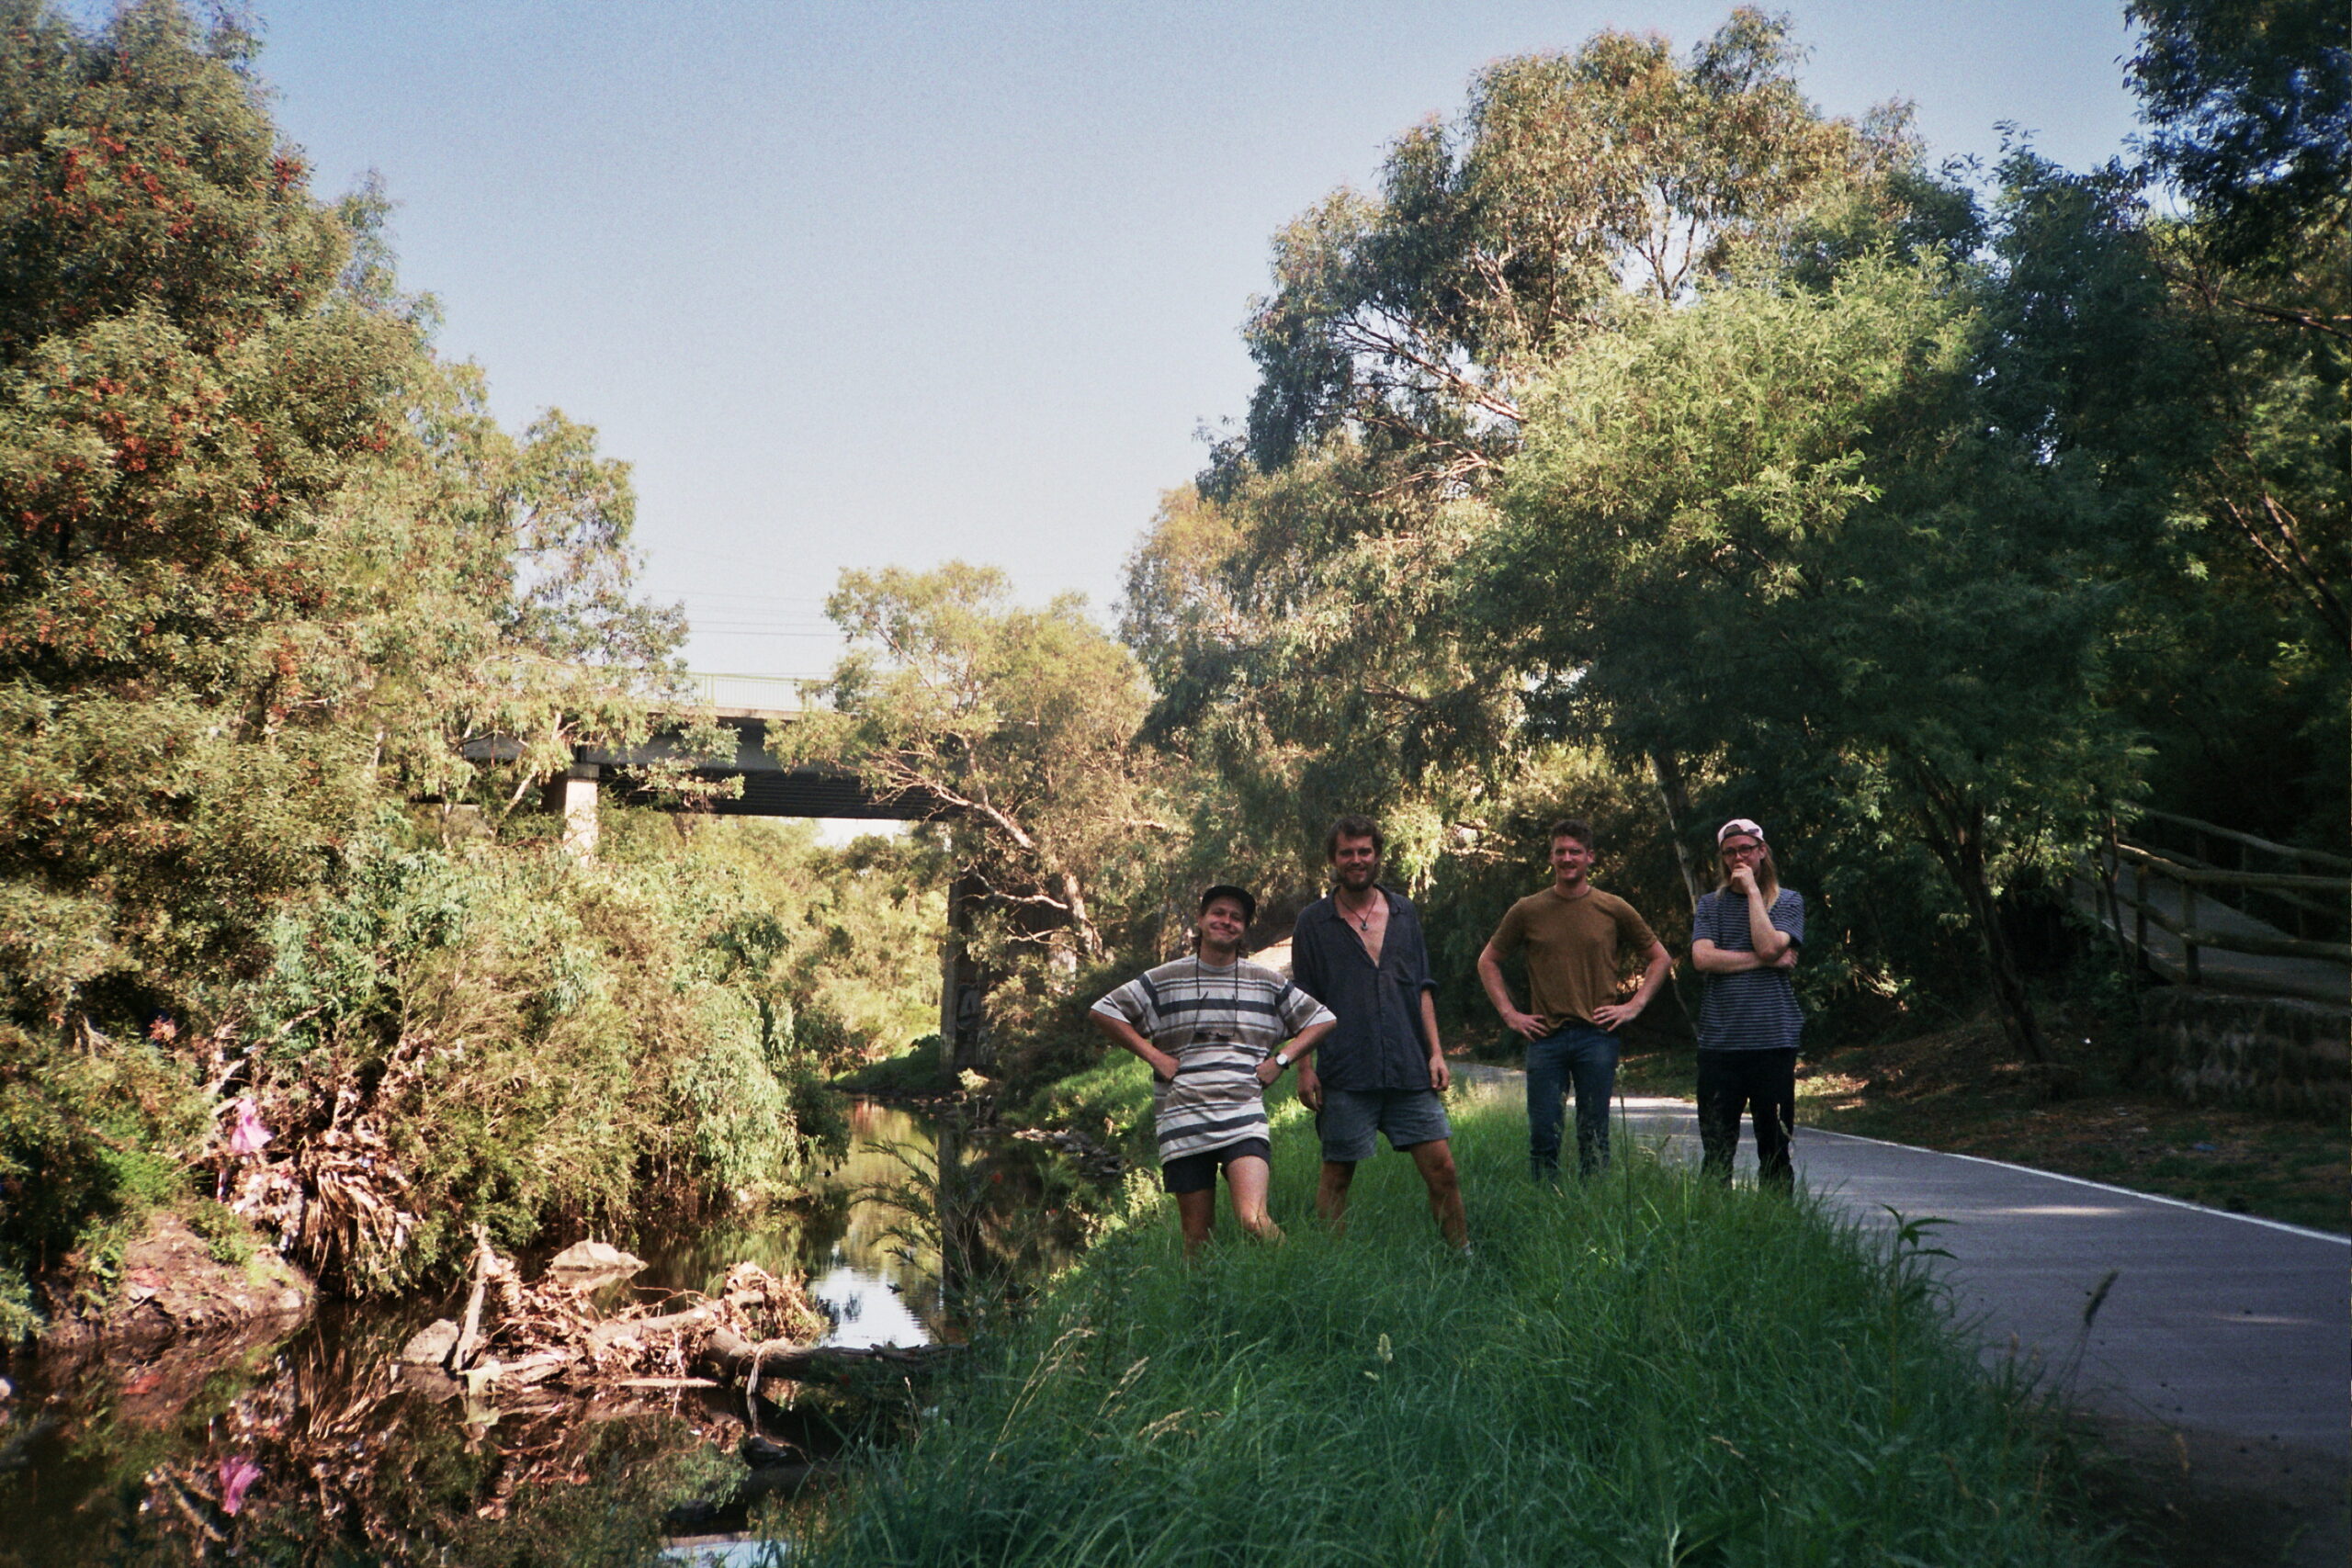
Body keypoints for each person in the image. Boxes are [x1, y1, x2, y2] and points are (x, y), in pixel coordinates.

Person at [1091, 884, 1335, 1256]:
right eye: (1218, 913)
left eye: (1236, 917)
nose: (1226, 921)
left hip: (1243, 1114)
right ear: (1201, 920)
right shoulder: (1164, 978)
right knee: (1197, 1240)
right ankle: (1203, 1294)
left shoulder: (1265, 981)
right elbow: (1104, 1011)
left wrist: (1281, 1061)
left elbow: (1323, 1019)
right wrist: (1155, 1057)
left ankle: (1303, 1274)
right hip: (1182, 1117)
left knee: (1254, 1219)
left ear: (1244, 928)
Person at [1290, 816, 1469, 1250]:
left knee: (1443, 1171)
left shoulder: (1404, 912)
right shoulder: (1313, 922)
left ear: (1377, 855)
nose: (1356, 860)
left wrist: (1436, 1053)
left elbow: (1422, 988)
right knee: (1337, 1176)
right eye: (1347, 853)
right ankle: (1334, 1267)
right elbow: (1302, 1002)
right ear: (1333, 859)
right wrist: (1304, 1068)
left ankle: (1463, 1256)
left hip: (1409, 1068)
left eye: (1364, 851)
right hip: (1345, 1071)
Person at [1476, 818, 1671, 1179]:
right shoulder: (1528, 909)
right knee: (1543, 1134)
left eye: (1575, 852)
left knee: (1594, 1134)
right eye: (1561, 852)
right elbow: (1488, 960)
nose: (1568, 858)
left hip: (1597, 1035)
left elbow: (1660, 958)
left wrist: (1635, 1005)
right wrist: (1510, 1014)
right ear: (1551, 857)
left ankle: (1593, 1205)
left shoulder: (1613, 907)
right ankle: (1545, 1203)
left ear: (1590, 857)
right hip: (1545, 1037)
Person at [1689, 818, 1805, 1190]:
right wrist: (1764, 961)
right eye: (1729, 852)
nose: (1738, 858)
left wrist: (1754, 892)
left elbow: (1770, 944)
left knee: (1775, 1148)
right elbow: (1702, 959)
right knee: (1717, 1150)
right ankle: (1713, 1221)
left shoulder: (1788, 901)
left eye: (1745, 850)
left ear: (1762, 851)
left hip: (1773, 1042)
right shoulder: (1710, 905)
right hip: (1720, 1045)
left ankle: (1777, 1220)